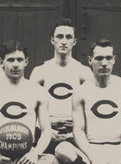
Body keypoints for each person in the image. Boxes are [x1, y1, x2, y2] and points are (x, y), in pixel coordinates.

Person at [30, 18, 92, 151]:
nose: (64, 41)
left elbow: (90, 107)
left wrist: (77, 132)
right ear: (52, 40)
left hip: (75, 133)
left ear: (74, 41)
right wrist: (45, 131)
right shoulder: (40, 71)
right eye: (60, 36)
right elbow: (30, 107)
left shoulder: (84, 72)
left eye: (68, 37)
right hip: (46, 132)